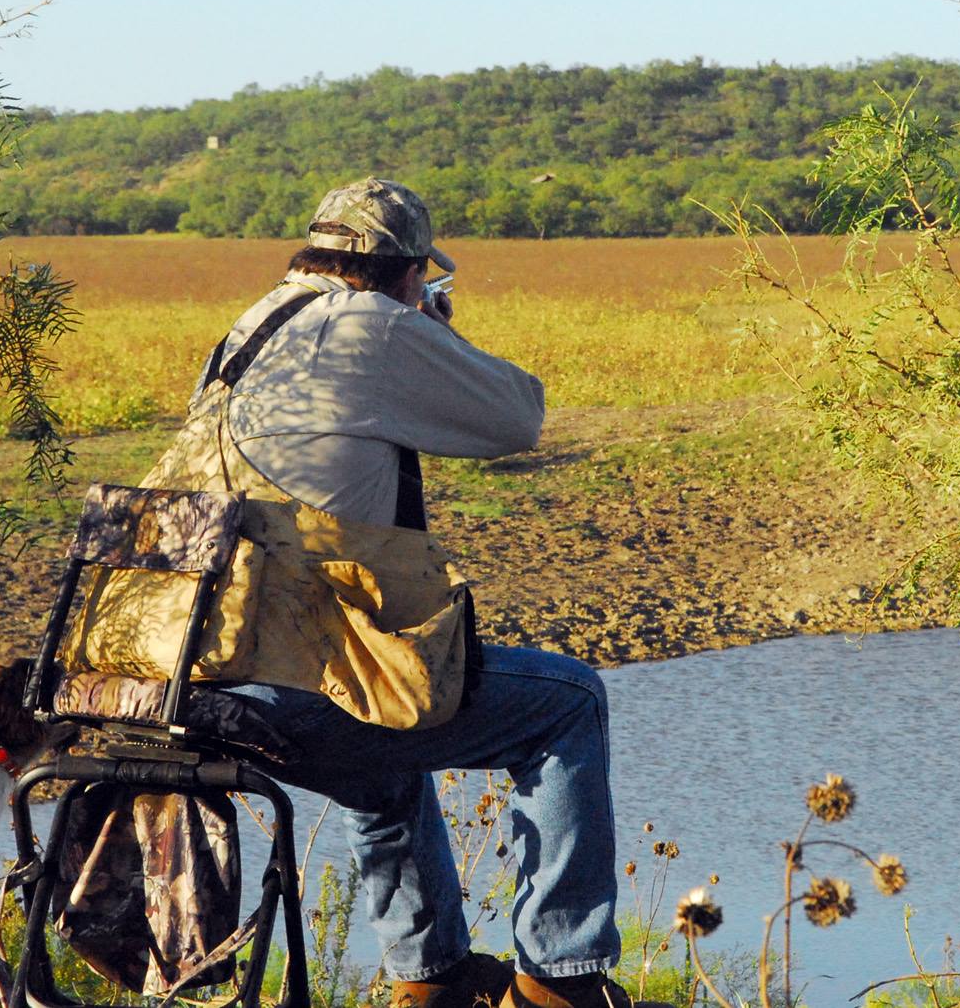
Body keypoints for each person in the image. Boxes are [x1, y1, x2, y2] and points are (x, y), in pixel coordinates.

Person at [140, 178, 629, 1008]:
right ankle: (559, 981)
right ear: (406, 272)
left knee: (382, 714)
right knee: (568, 701)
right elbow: (518, 416)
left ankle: (429, 980)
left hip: (186, 679)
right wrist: (433, 331)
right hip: (276, 693)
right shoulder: (371, 324)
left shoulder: (250, 327)